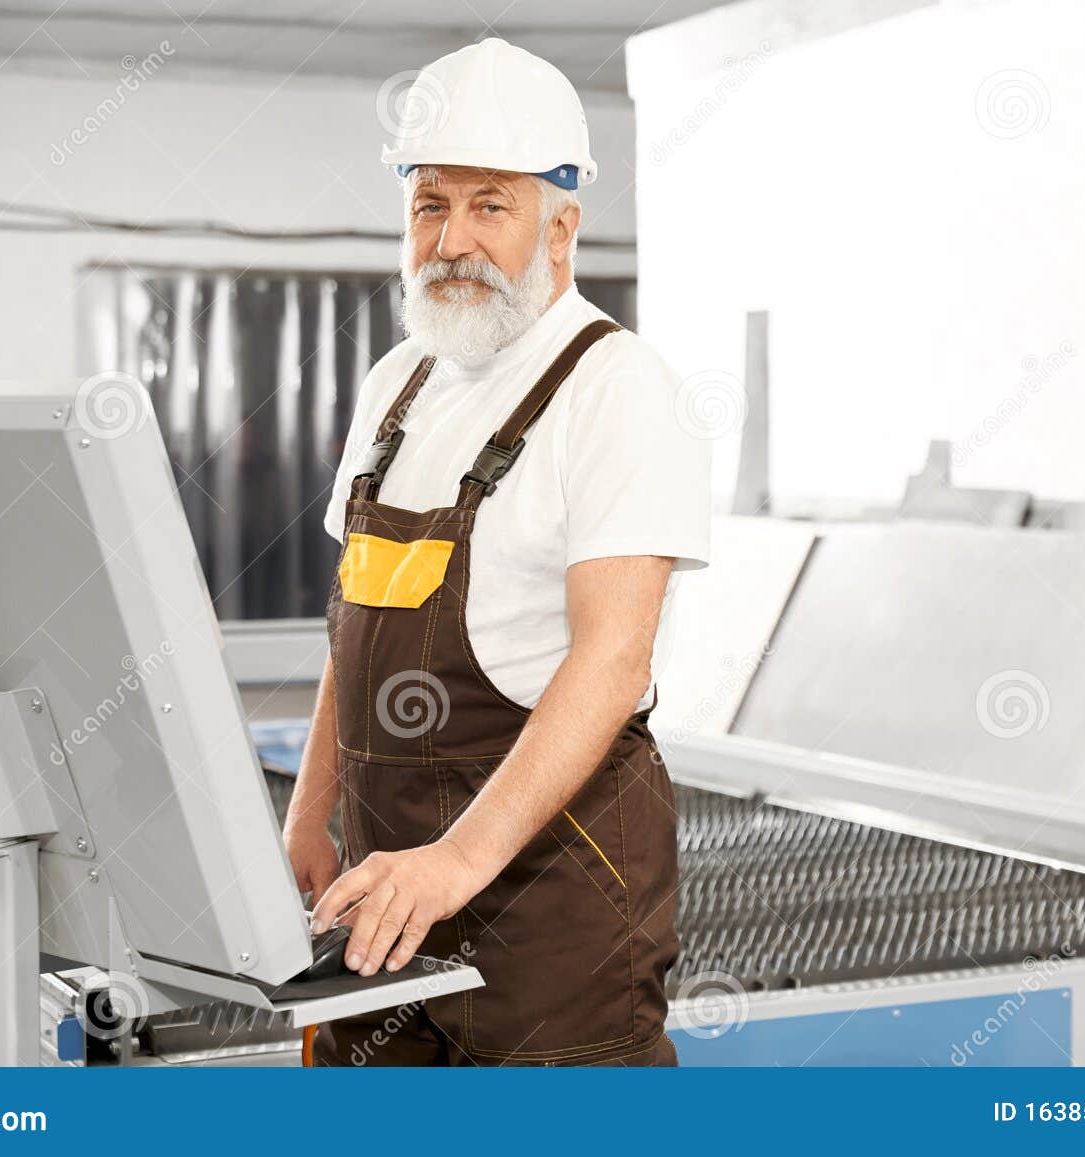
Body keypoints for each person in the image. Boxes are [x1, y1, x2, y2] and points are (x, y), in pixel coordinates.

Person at [282, 37, 711, 1066]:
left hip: (556, 900)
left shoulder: (619, 389)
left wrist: (457, 861)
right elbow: (355, 627)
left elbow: (613, 661)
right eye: (430, 205)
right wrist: (309, 808)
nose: (453, 238)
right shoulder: (398, 384)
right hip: (391, 894)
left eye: (490, 205)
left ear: (560, 226)